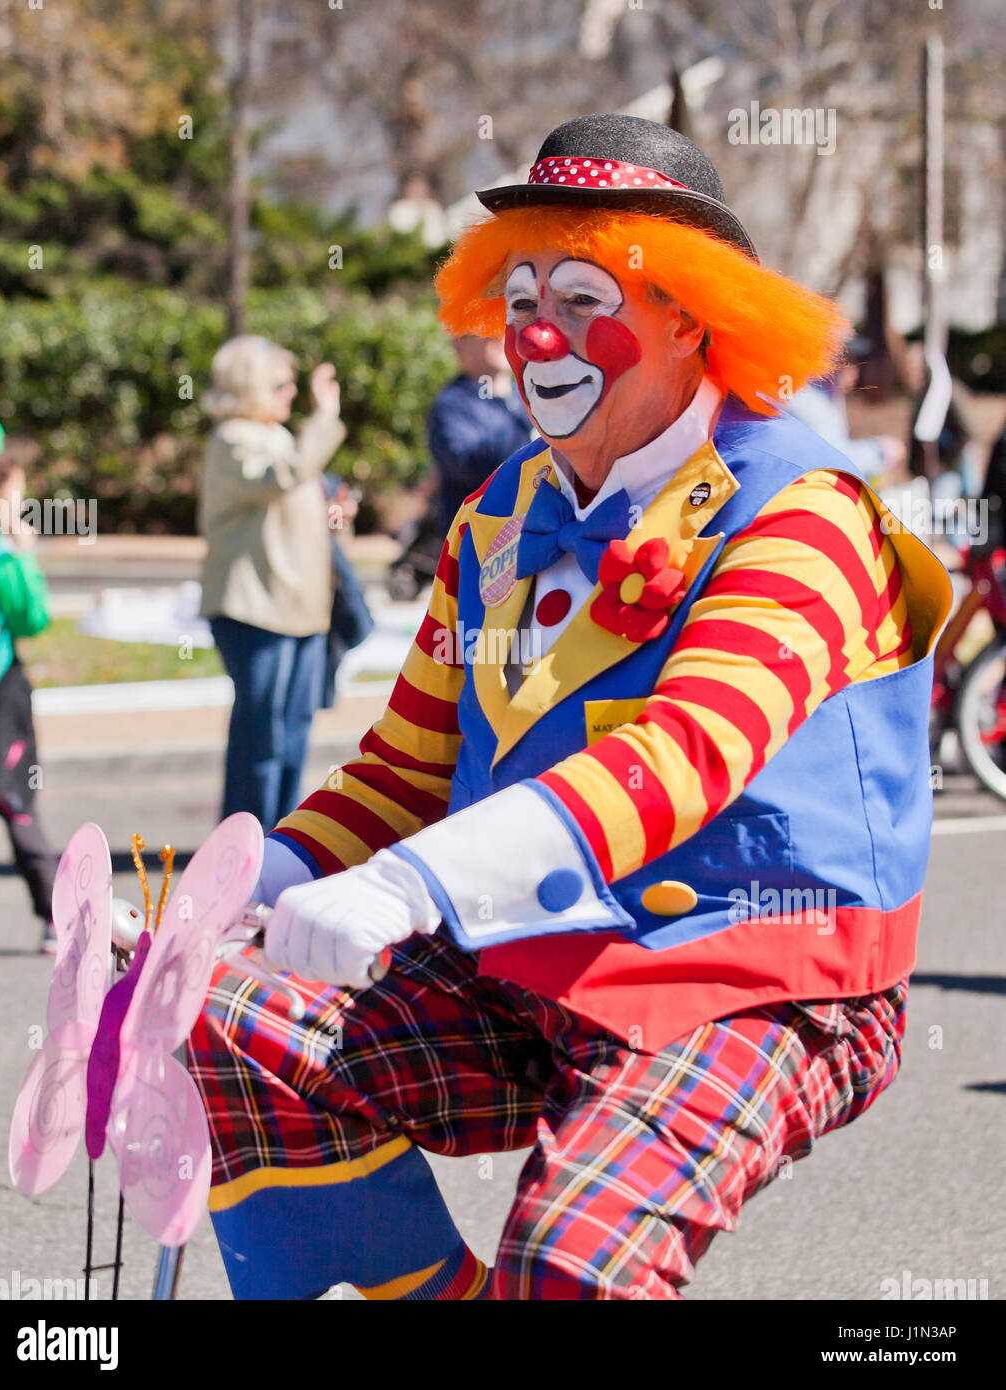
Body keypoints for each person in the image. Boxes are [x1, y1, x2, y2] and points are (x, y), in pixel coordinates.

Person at [190, 115, 951, 1300]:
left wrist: (406, 889)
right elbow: (404, 769)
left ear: (691, 318)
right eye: (522, 290)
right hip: (533, 954)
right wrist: (232, 898)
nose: (539, 331)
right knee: (217, 1012)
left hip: (752, 972)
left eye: (587, 295)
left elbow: (683, 755)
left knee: (569, 1266)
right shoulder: (499, 514)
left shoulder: (803, 515)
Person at [198, 335, 346, 831]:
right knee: (261, 740)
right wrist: (325, 417)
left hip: (299, 610)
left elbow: (291, 494)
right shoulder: (233, 437)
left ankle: (276, 837)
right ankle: (242, 843)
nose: (291, 394)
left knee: (293, 733)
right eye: (281, 384)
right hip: (255, 610)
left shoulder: (275, 436)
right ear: (250, 387)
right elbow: (282, 476)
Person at [0, 448, 58, 953]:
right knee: (18, 803)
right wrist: (24, 554)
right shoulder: (1, 555)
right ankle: (52, 917)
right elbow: (32, 619)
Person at [428, 335, 534, 536]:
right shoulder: (452, 405)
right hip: (479, 538)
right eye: (485, 330)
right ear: (460, 342)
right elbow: (467, 464)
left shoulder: (531, 395)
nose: (499, 337)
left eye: (502, 328)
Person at [786, 336, 907, 485]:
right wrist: (879, 451)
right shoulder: (811, 402)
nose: (855, 372)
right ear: (829, 363)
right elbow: (832, 462)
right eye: (848, 363)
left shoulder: (826, 395)